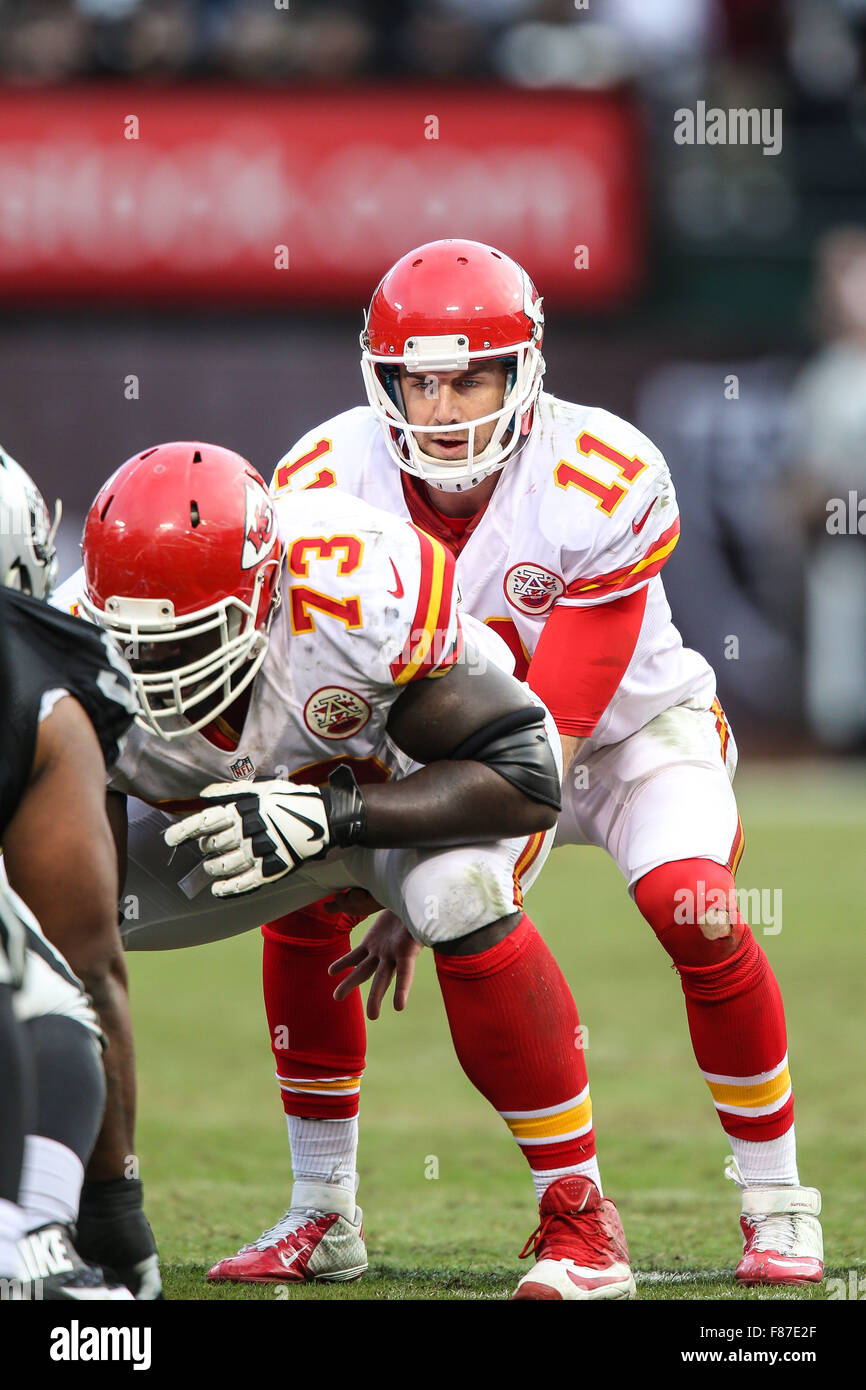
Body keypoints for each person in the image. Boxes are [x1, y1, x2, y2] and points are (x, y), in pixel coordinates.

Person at [248, 239, 823, 1296]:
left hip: (624, 735)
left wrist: (423, 879)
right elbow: (347, 682)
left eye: (469, 373)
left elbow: (547, 738)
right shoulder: (322, 482)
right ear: (382, 379)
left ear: (524, 370)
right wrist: (374, 855)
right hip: (460, 754)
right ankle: (319, 1210)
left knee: (693, 907)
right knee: (310, 881)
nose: (443, 404)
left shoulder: (596, 473)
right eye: (418, 377)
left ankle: (777, 1200)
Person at [61, 440, 621, 1301]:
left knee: (459, 892)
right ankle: (70, 1211)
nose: (155, 671)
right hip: (233, 831)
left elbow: (528, 779)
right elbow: (79, 896)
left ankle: (581, 1218)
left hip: (394, 806)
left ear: (264, 592)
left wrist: (332, 817)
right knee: (35, 930)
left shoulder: (358, 598)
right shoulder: (72, 655)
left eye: (188, 641)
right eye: (132, 642)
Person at [0, 448, 160, 1300]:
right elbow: (87, 966)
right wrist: (116, 1214)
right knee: (42, 987)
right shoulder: (36, 673)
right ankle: (30, 1241)